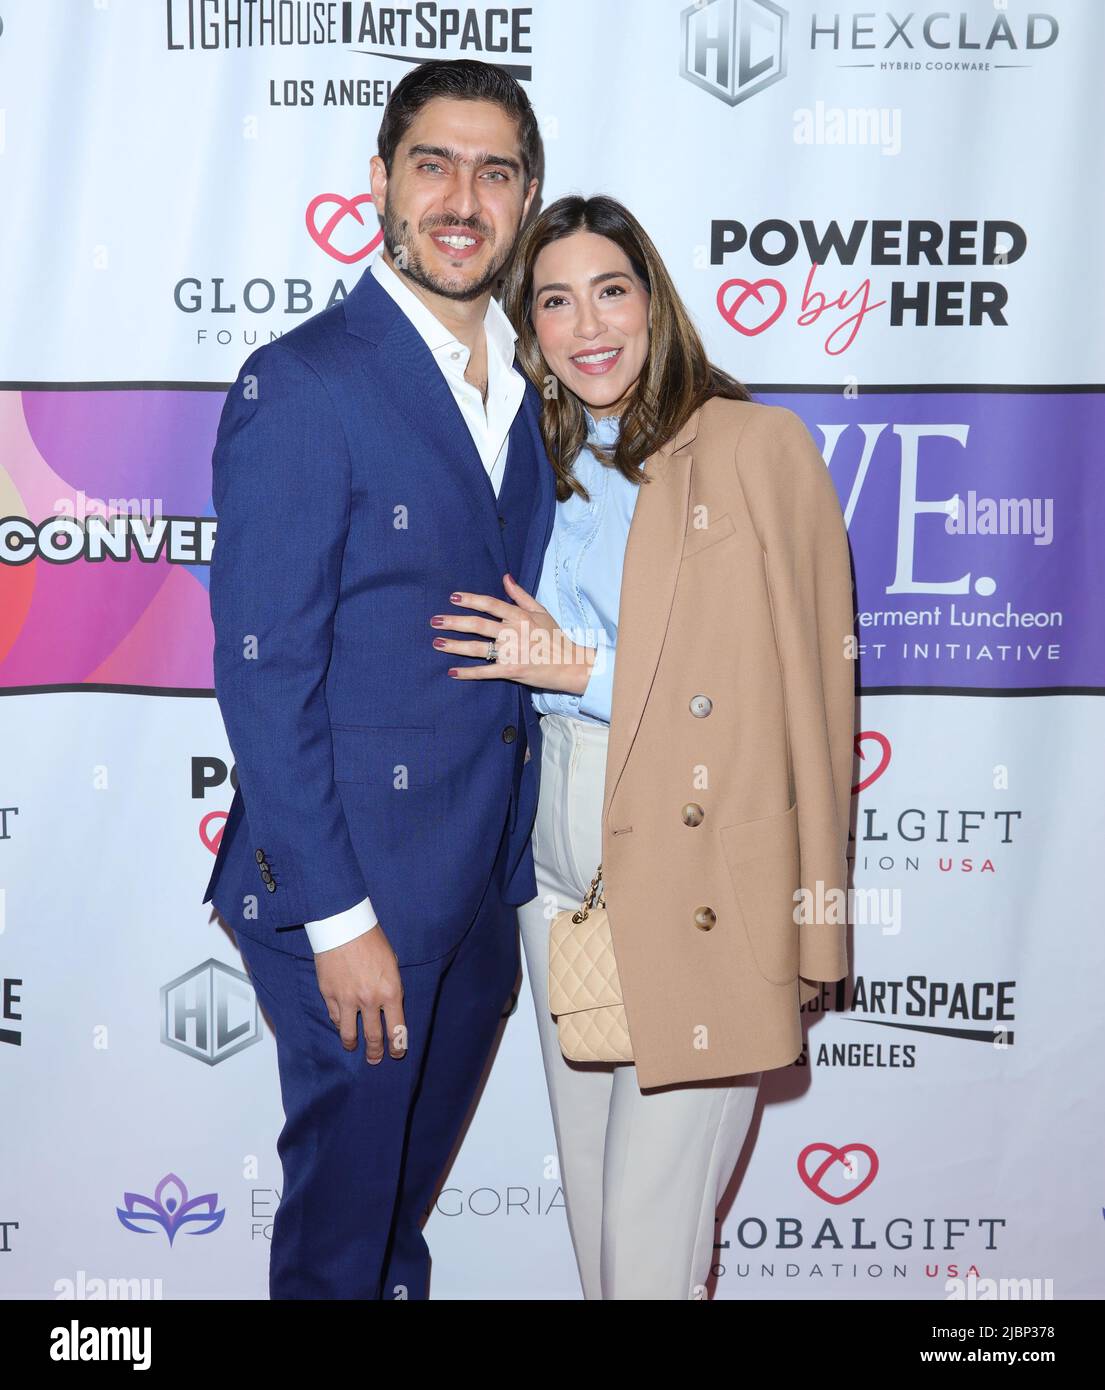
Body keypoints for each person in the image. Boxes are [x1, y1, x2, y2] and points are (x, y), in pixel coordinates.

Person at [430, 195, 856, 1299]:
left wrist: (576, 668)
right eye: (555, 301)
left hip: (699, 867)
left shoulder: (760, 448)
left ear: (654, 300)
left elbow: (793, 695)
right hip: (553, 878)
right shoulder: (536, 459)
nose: (587, 326)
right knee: (599, 1235)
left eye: (610, 290)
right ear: (530, 330)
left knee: (649, 1254)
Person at [201, 59, 555, 1300]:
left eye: (495, 171)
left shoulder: (527, 389)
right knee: (342, 1249)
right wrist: (339, 918)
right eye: (433, 164)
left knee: (393, 1234)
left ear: (525, 200)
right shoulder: (306, 381)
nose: (463, 197)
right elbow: (262, 668)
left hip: (475, 905)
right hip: (350, 907)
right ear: (380, 186)